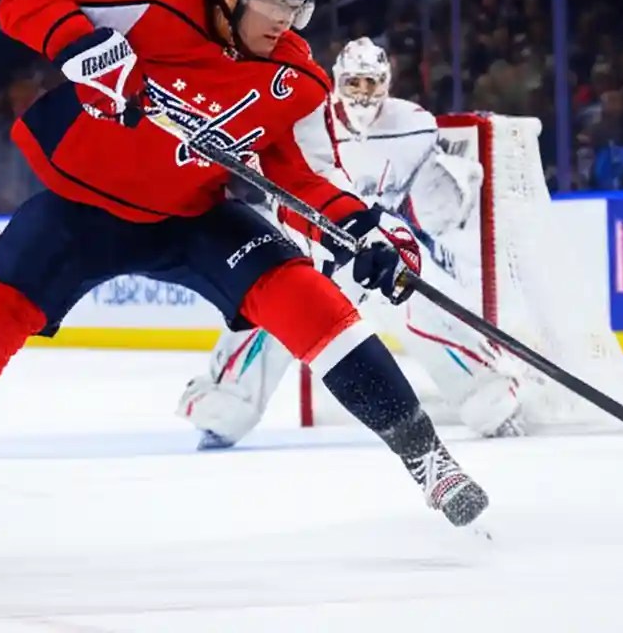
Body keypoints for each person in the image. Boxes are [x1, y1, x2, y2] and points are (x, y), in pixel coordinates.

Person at [0, 0, 488, 571]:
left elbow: (296, 175)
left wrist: (365, 235)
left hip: (193, 218)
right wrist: (85, 49)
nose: (289, 22)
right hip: (81, 210)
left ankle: (429, 460)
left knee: (310, 301)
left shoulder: (295, 78)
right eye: (277, 5)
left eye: (300, 8)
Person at [179, 37, 539, 450]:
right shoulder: (304, 117)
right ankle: (225, 407)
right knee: (273, 309)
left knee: (424, 299)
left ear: (386, 83)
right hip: (308, 247)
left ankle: (489, 396)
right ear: (336, 83)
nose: (363, 95)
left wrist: (452, 189)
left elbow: (432, 204)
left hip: (376, 251)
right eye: (354, 84)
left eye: (371, 84)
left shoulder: (413, 127)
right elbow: (276, 186)